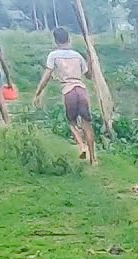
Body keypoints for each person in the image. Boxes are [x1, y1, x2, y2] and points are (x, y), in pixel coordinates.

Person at [33, 27, 96, 163]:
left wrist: (38, 92)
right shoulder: (77, 55)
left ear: (56, 41)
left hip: (69, 91)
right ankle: (93, 159)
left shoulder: (54, 55)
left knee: (72, 123)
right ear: (69, 39)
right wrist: (90, 60)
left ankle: (82, 146)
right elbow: (89, 76)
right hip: (81, 90)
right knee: (87, 124)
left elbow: (47, 76)